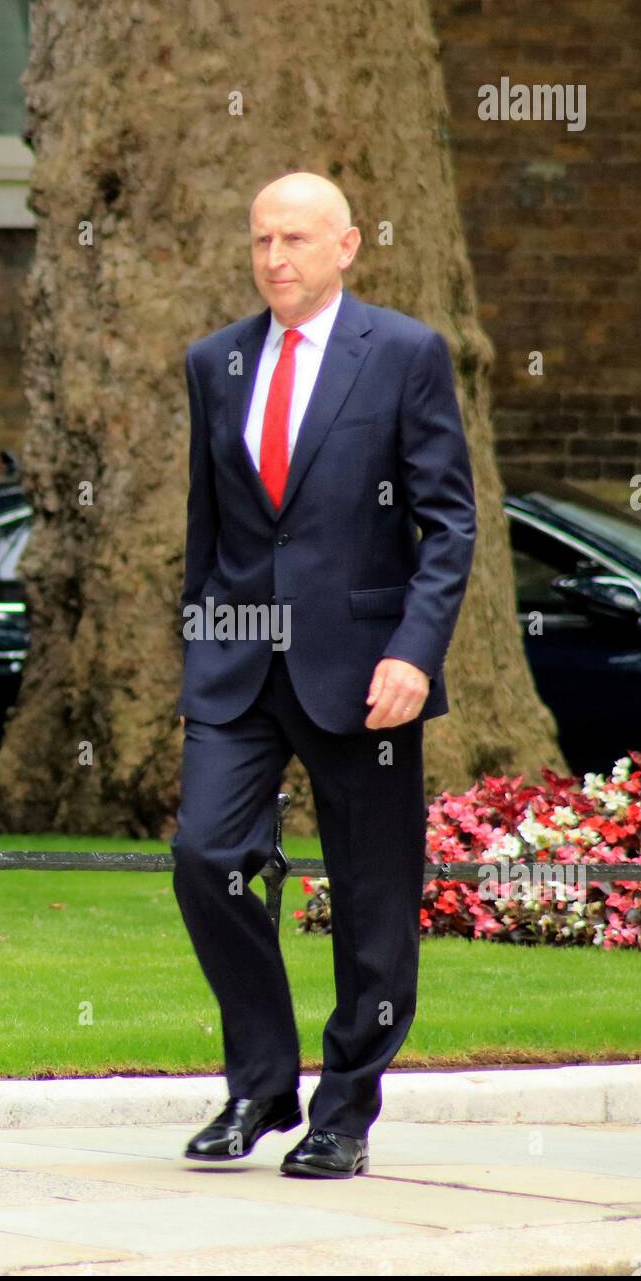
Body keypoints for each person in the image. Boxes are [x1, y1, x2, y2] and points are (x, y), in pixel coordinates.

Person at [170, 171, 476, 1178]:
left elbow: (448, 522)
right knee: (207, 857)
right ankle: (261, 1082)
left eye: (295, 238)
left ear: (347, 245)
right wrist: (205, 635)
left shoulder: (402, 355)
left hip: (363, 671)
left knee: (372, 895)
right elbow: (208, 530)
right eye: (261, 239)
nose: (274, 258)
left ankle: (344, 1108)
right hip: (239, 668)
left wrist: (413, 654)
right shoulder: (213, 361)